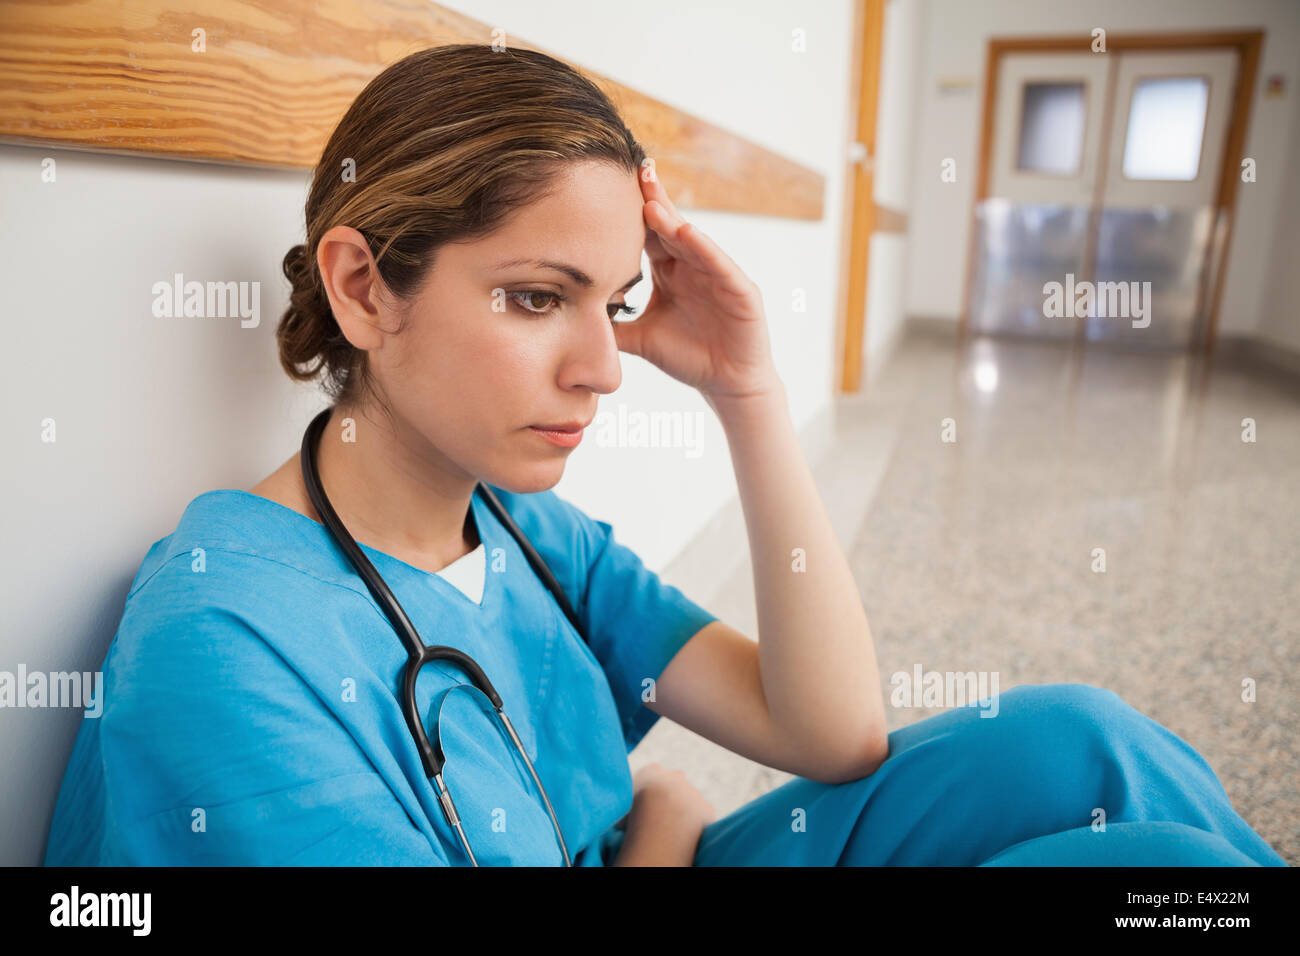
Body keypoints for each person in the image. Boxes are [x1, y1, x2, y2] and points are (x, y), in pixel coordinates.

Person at [44, 44, 1285, 867]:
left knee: (1081, 740)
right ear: (365, 286)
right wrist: (662, 829)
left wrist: (748, 391)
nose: (601, 364)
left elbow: (833, 732)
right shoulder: (225, 643)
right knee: (1154, 875)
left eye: (614, 299)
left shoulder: (523, 530)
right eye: (537, 298)